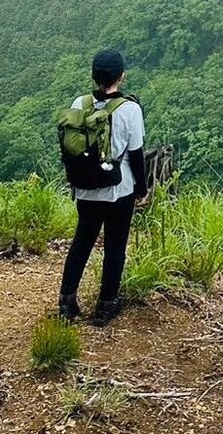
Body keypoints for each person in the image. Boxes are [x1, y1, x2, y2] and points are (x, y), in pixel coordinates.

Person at [58, 49, 147, 325]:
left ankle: (67, 302)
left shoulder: (80, 103)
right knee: (115, 246)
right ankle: (106, 306)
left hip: (85, 188)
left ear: (94, 76)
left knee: (82, 242)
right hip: (119, 190)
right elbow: (136, 155)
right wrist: (142, 190)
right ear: (121, 77)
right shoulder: (130, 110)